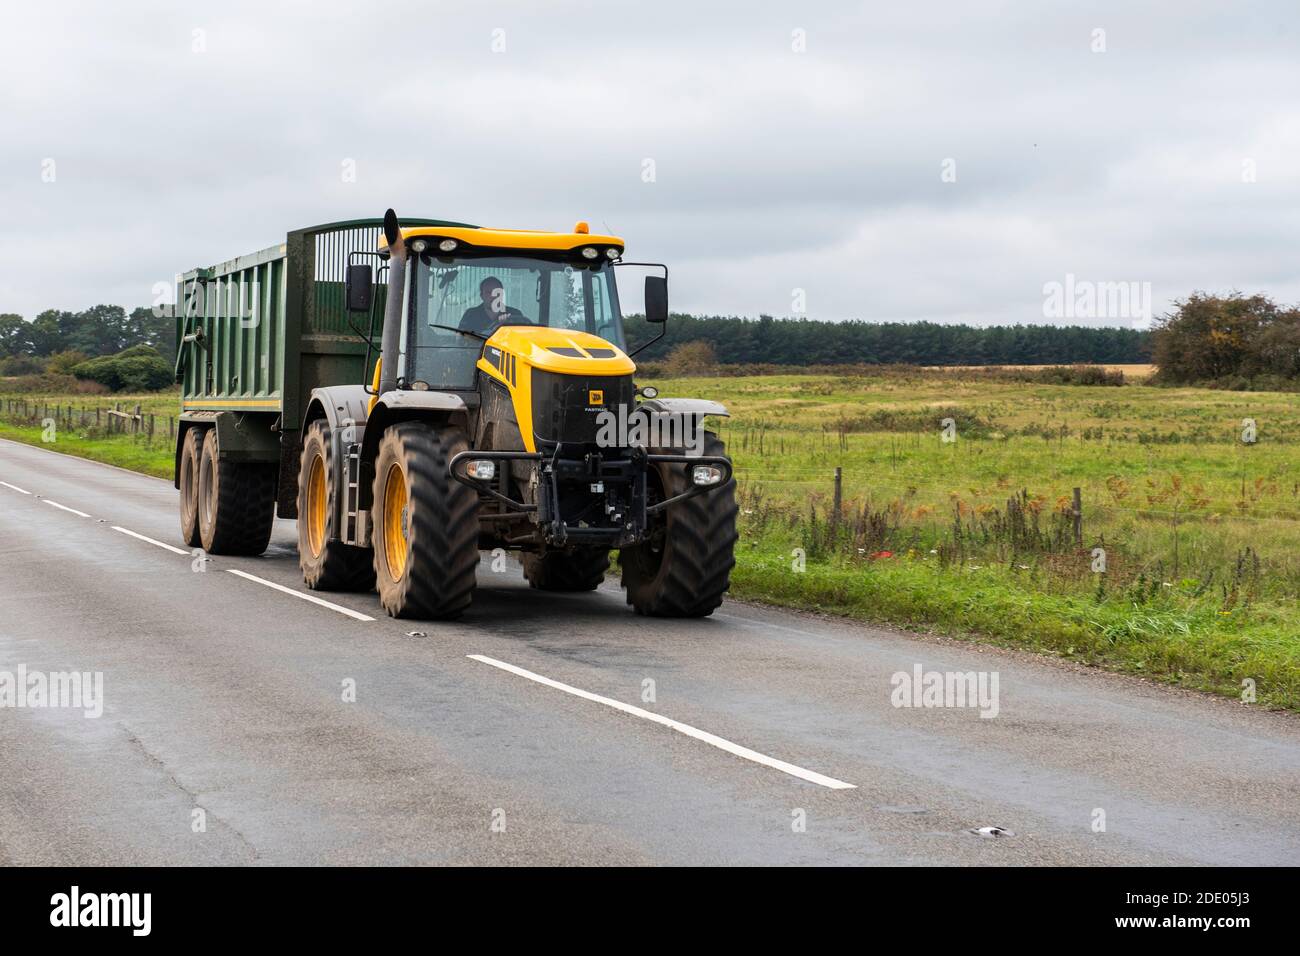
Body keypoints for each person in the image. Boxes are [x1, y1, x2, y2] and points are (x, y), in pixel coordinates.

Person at [459, 277, 530, 335]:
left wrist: (507, 328)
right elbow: (460, 339)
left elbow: (523, 339)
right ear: (481, 296)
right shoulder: (470, 315)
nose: (493, 296)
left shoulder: (515, 314)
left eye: (497, 292)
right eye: (488, 292)